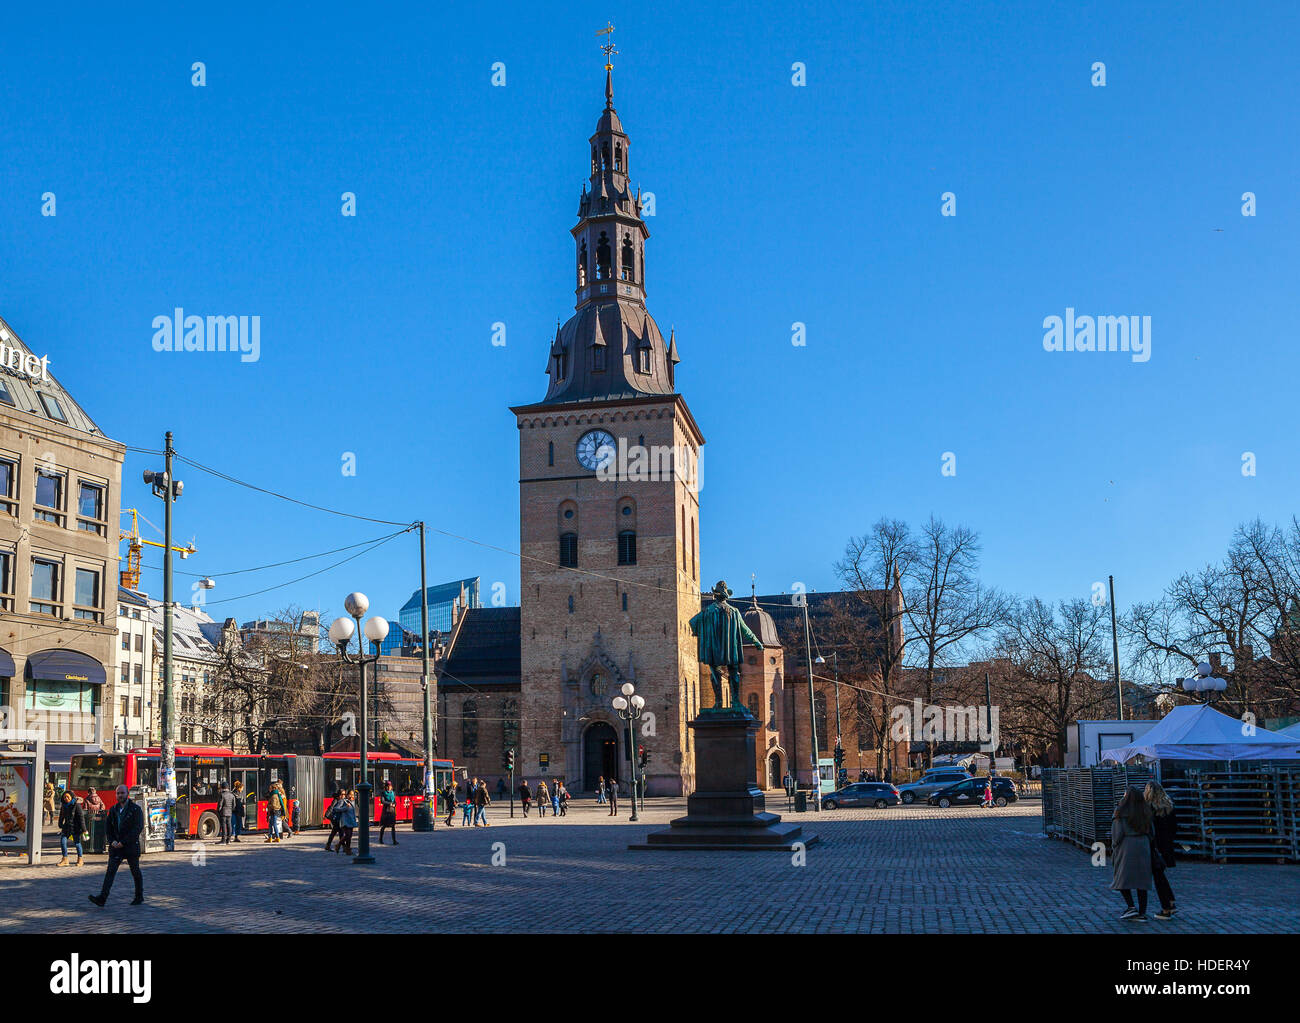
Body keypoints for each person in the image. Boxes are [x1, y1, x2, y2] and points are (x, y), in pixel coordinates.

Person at [88, 785, 143, 907]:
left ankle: (139, 896)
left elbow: (138, 828)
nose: (120, 795)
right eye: (118, 793)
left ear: (127, 793)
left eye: (122, 793)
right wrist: (111, 841)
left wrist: (123, 842)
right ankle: (102, 898)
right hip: (115, 847)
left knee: (135, 871)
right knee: (110, 872)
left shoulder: (135, 809)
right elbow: (108, 829)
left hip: (130, 846)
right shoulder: (113, 810)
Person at [1111, 785, 1155, 921]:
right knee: (1142, 881)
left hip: (1126, 846)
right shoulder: (1146, 812)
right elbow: (1152, 832)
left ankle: (1131, 907)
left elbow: (1117, 834)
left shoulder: (1120, 812)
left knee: (1121, 879)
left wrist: (1114, 846)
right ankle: (1142, 912)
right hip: (1143, 846)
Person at [1145, 781, 1179, 920]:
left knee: (1158, 878)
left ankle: (1166, 908)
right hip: (1167, 846)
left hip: (1155, 847)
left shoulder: (1150, 808)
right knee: (1161, 876)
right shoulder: (1169, 806)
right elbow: (1175, 827)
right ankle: (1170, 901)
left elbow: (1150, 829)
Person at [57, 790, 85, 867]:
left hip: (75, 828)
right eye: (64, 797)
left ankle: (80, 859)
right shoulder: (64, 805)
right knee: (63, 842)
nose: (66, 798)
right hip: (66, 827)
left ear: (71, 797)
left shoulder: (76, 805)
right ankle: (65, 859)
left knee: (77, 843)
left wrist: (84, 829)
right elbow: (61, 816)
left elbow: (81, 817)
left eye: (67, 797)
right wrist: (60, 823)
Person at [378, 779, 399, 844]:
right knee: (384, 826)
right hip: (386, 811)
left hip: (392, 811)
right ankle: (380, 839)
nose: (389, 787)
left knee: (393, 826)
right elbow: (382, 801)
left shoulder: (393, 793)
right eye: (387, 786)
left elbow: (395, 801)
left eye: (390, 786)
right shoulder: (383, 793)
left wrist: (394, 804)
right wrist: (389, 803)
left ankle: (394, 840)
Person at [336, 790, 357, 854]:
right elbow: (336, 809)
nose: (351, 796)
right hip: (345, 821)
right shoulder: (343, 801)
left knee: (349, 836)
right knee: (347, 835)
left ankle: (348, 849)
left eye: (353, 795)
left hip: (351, 821)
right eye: (350, 794)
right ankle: (339, 845)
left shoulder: (353, 802)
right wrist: (345, 807)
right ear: (347, 795)